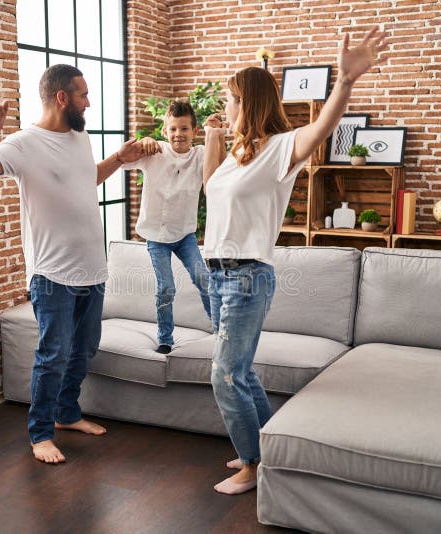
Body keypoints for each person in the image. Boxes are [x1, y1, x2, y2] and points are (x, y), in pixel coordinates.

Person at [202, 28, 389, 494]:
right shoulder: (237, 154)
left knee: (225, 375)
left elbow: (322, 127)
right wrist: (211, 138)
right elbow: (210, 189)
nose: (225, 107)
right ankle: (271, 451)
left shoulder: (279, 148)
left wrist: (344, 83)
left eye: (229, 100)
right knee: (239, 372)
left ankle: (253, 465)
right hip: (218, 275)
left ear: (249, 102)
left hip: (247, 275)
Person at [0, 64, 144, 464]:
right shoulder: (23, 143)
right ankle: (41, 433)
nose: (89, 101)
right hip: (52, 274)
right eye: (83, 94)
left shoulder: (79, 136)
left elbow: (86, 180)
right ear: (62, 97)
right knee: (54, 354)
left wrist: (119, 158)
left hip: (92, 268)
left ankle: (67, 414)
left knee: (85, 349)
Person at [123, 101, 212, 354]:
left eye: (184, 129)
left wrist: (216, 135)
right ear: (165, 131)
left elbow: (219, 169)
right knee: (166, 288)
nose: (178, 135)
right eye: (173, 129)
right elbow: (123, 161)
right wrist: (143, 142)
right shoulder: (154, 151)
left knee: (203, 279)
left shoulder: (200, 155)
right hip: (156, 237)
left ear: (194, 132)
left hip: (185, 235)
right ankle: (165, 338)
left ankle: (220, 327)